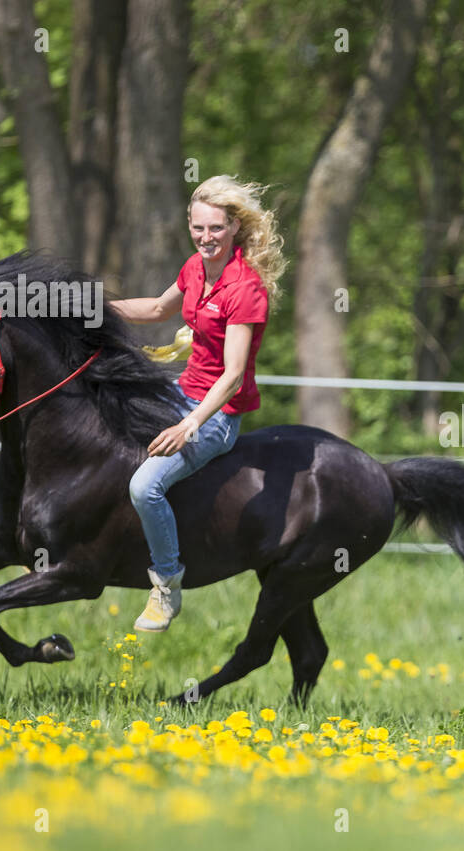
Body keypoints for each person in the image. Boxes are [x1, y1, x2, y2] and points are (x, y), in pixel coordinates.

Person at [111, 175, 286, 631]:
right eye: (198, 228)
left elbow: (231, 377)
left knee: (144, 487)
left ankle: (167, 585)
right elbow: (154, 310)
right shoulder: (194, 268)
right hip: (180, 390)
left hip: (216, 415)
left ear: (234, 229)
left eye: (215, 229)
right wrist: (94, 305)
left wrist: (189, 425)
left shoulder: (245, 289)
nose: (206, 238)